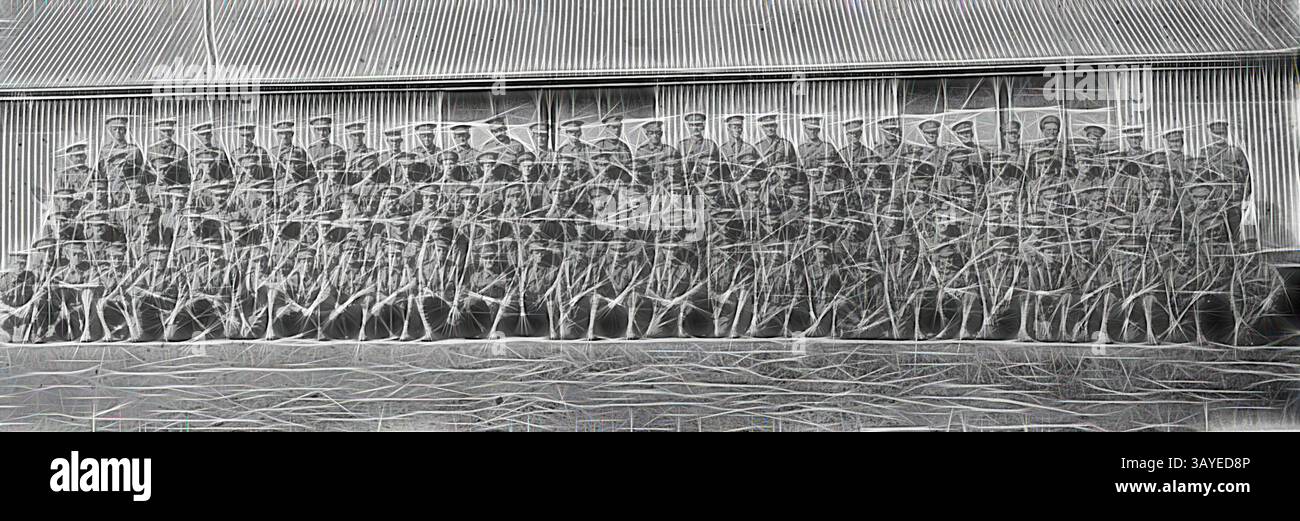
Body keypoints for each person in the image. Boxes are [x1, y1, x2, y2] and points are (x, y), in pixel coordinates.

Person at [98, 115, 146, 185]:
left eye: (121, 129)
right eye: (115, 129)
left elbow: (141, 171)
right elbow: (102, 173)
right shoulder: (105, 151)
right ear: (110, 131)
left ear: (125, 131)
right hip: (111, 187)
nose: (118, 131)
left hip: (130, 187)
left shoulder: (134, 150)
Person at [148, 117, 191, 185]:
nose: (166, 134)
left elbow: (185, 175)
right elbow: (147, 173)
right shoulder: (152, 150)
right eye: (163, 131)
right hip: (157, 188)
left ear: (173, 132)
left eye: (169, 131)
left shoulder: (180, 151)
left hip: (176, 187)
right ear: (159, 132)